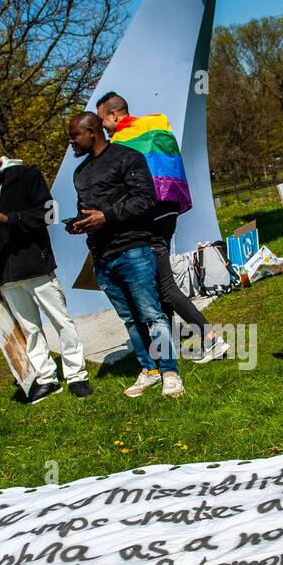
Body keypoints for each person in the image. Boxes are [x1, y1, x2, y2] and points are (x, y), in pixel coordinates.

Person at [95, 91, 230, 364]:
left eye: (102, 121)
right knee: (159, 281)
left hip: (149, 216)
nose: (103, 129)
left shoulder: (121, 141)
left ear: (113, 115)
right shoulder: (156, 125)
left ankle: (211, 338)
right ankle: (168, 345)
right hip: (169, 211)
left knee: (164, 285)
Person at [0, 135, 92, 403]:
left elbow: (48, 214)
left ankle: (76, 374)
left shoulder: (26, 175)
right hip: (6, 274)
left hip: (36, 263)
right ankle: (46, 377)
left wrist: (9, 219)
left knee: (60, 320)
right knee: (29, 329)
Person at [67, 112, 183, 399]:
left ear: (92, 132)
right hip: (103, 256)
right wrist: (80, 224)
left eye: (74, 136)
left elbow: (146, 200)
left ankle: (170, 372)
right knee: (130, 319)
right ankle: (149, 370)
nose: (71, 143)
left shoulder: (127, 158)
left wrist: (106, 217)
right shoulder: (80, 173)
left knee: (152, 314)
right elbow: (89, 211)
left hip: (133, 249)